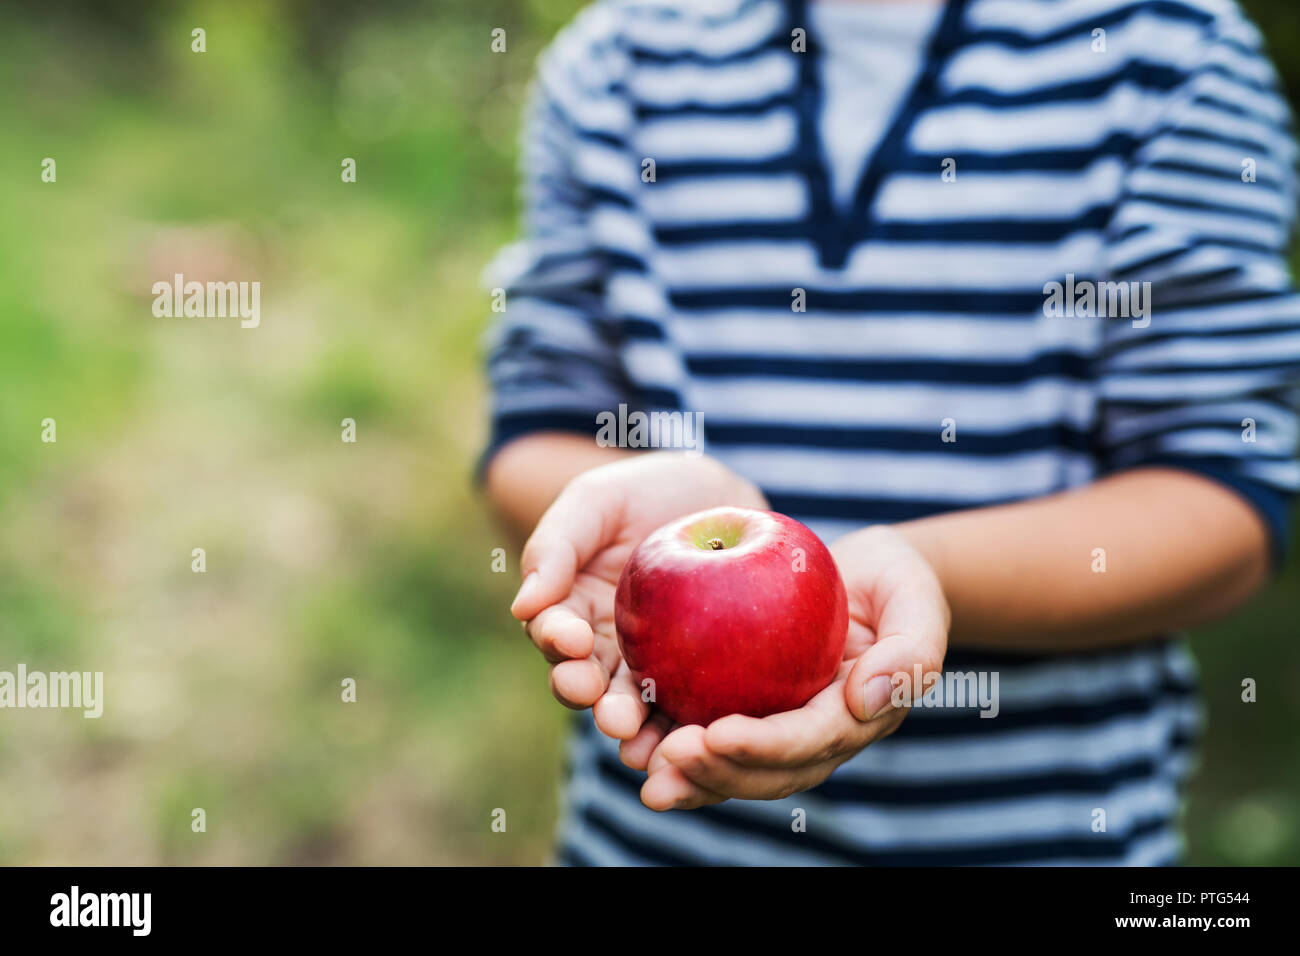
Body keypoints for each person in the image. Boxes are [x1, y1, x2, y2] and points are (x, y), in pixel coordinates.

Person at [481, 0, 1300, 864]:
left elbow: (1224, 501)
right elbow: (538, 428)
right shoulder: (616, 61)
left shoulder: (1172, 57)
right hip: (650, 838)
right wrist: (609, 515)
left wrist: (911, 574)